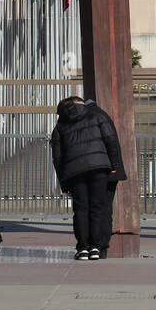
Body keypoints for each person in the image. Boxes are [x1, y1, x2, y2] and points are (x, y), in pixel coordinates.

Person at [50, 95, 126, 260]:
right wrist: (114, 165)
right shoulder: (97, 115)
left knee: (81, 209)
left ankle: (82, 247)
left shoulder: (61, 124)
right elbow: (110, 139)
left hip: (75, 171)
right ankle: (96, 247)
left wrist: (64, 184)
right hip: (99, 167)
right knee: (97, 208)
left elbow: (57, 157)